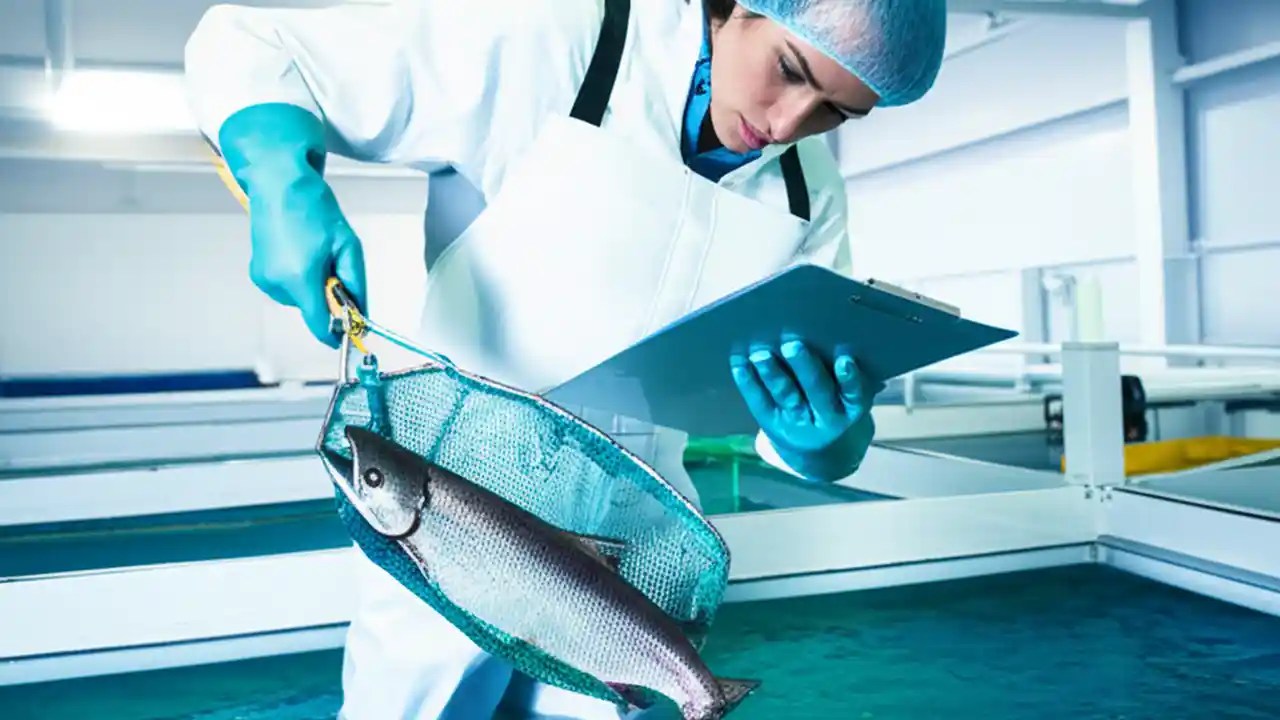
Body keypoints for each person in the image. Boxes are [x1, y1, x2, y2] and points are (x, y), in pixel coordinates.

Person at [183, 0, 945, 716]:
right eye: (790, 70)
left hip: (628, 553)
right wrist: (279, 178)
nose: (787, 124)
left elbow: (797, 416)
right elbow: (254, 45)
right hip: (455, 516)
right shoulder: (561, 37)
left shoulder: (811, 195)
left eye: (835, 112)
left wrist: (825, 440)